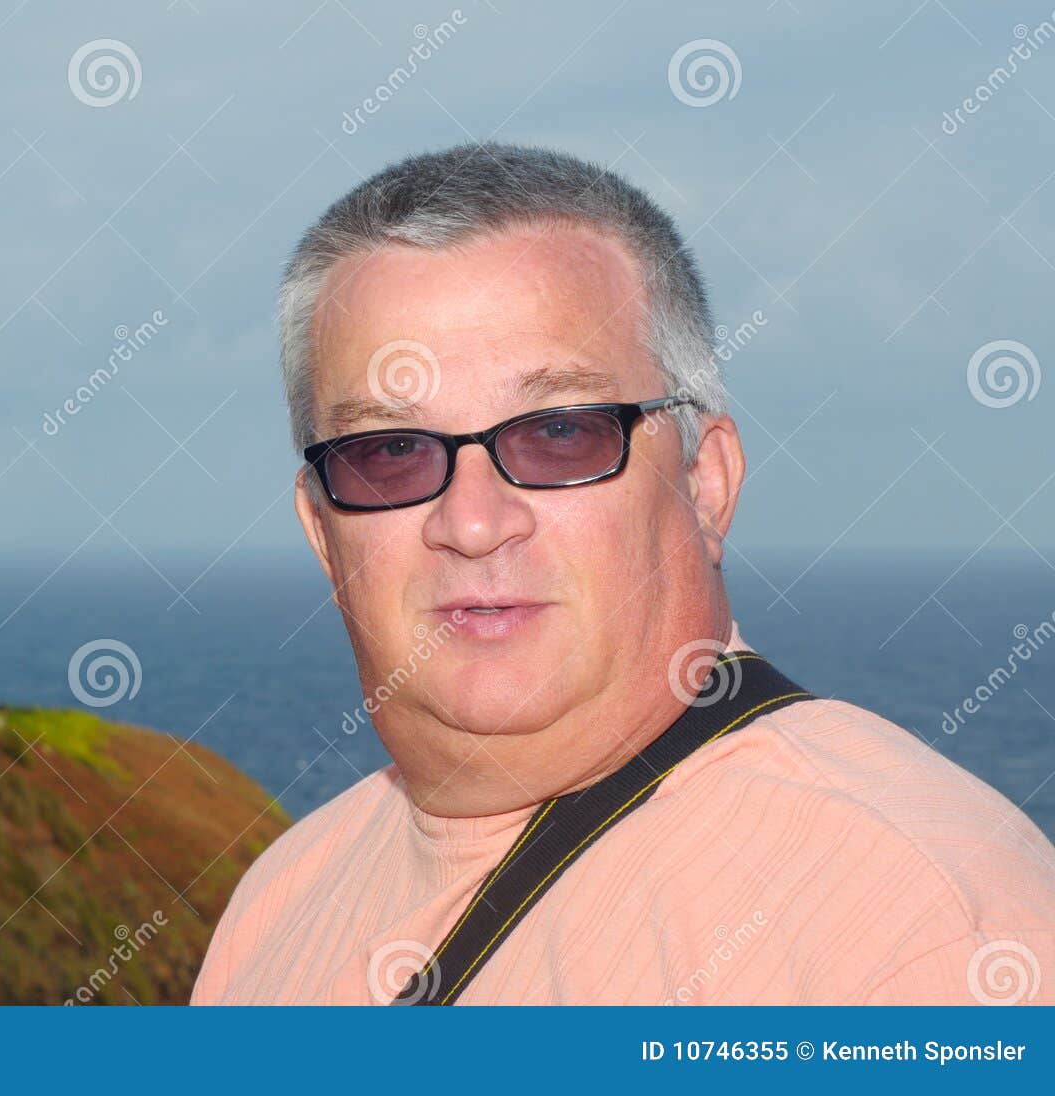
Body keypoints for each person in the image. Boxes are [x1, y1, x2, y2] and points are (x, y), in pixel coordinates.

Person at [191, 142, 1055, 1005]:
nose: (475, 521)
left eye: (561, 433)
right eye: (390, 451)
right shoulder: (280, 903)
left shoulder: (910, 929)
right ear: (320, 528)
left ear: (704, 483)